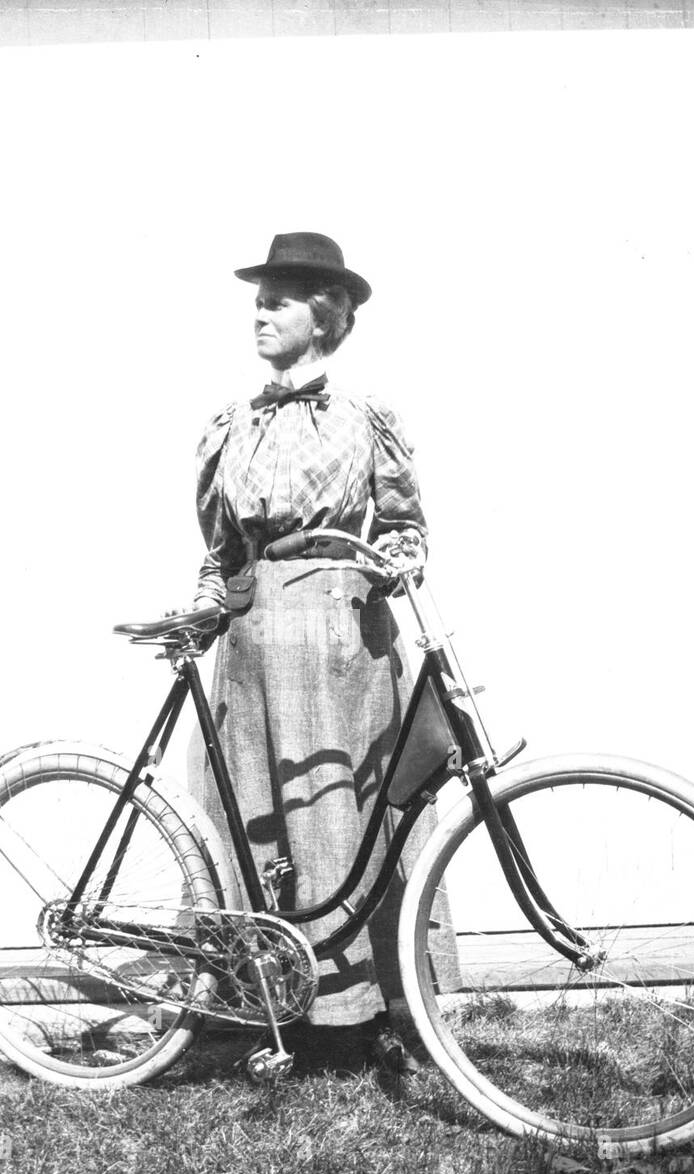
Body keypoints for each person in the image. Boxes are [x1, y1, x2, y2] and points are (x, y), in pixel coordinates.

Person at [188, 232, 458, 1070]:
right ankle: (273, 1007)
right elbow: (220, 550)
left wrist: (388, 563)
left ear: (328, 315)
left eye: (283, 296)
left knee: (346, 805)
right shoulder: (231, 425)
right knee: (258, 804)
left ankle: (365, 1005)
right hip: (254, 638)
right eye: (259, 296)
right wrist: (205, 604)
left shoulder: (363, 420)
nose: (261, 309)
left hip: (341, 636)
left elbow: (408, 531)